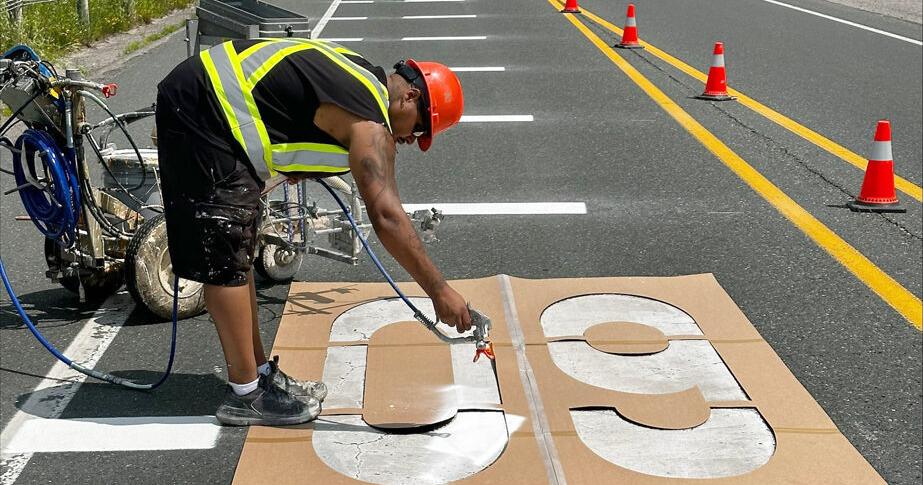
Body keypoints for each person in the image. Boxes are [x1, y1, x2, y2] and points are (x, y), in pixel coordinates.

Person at [155, 38, 470, 426]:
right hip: (203, 110)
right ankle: (246, 393)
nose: (410, 139)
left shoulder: (362, 80)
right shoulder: (370, 120)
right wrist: (439, 291)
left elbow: (299, 108)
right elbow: (387, 216)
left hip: (208, 103)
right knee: (225, 245)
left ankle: (258, 375)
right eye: (419, 128)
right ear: (411, 96)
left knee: (239, 247)